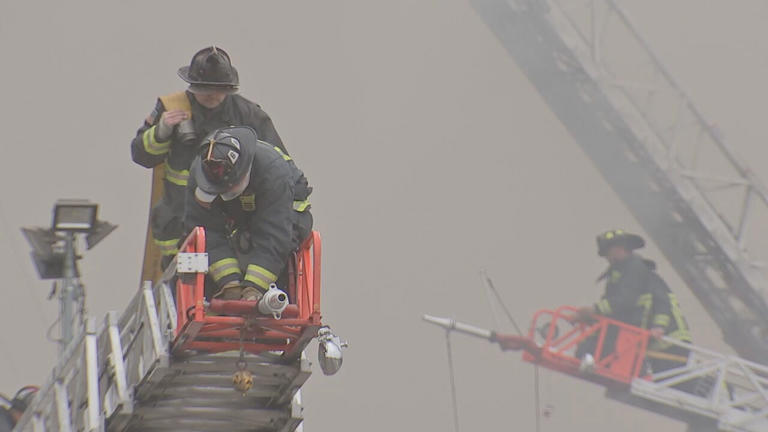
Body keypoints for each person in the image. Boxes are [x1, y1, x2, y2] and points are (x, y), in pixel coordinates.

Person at [131, 46, 287, 266]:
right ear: (193, 85)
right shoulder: (172, 108)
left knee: (225, 278)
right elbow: (140, 155)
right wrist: (161, 131)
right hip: (181, 227)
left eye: (219, 89)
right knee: (186, 287)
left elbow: (278, 166)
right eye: (205, 89)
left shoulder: (249, 115)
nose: (212, 95)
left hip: (230, 224)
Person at [184, 126, 312, 302]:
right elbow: (206, 232)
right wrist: (230, 283)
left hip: (287, 216)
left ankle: (272, 288)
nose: (223, 192)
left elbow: (274, 236)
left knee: (279, 245)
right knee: (206, 240)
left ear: (244, 171)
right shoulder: (201, 175)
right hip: (241, 218)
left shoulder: (272, 172)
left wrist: (253, 288)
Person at [575, 230, 692, 375]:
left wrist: (594, 311)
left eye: (608, 251)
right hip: (652, 343)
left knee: (670, 381)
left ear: (621, 248)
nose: (607, 257)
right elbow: (614, 311)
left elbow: (624, 302)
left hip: (669, 342)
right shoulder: (620, 275)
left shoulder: (634, 271)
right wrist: (591, 318)